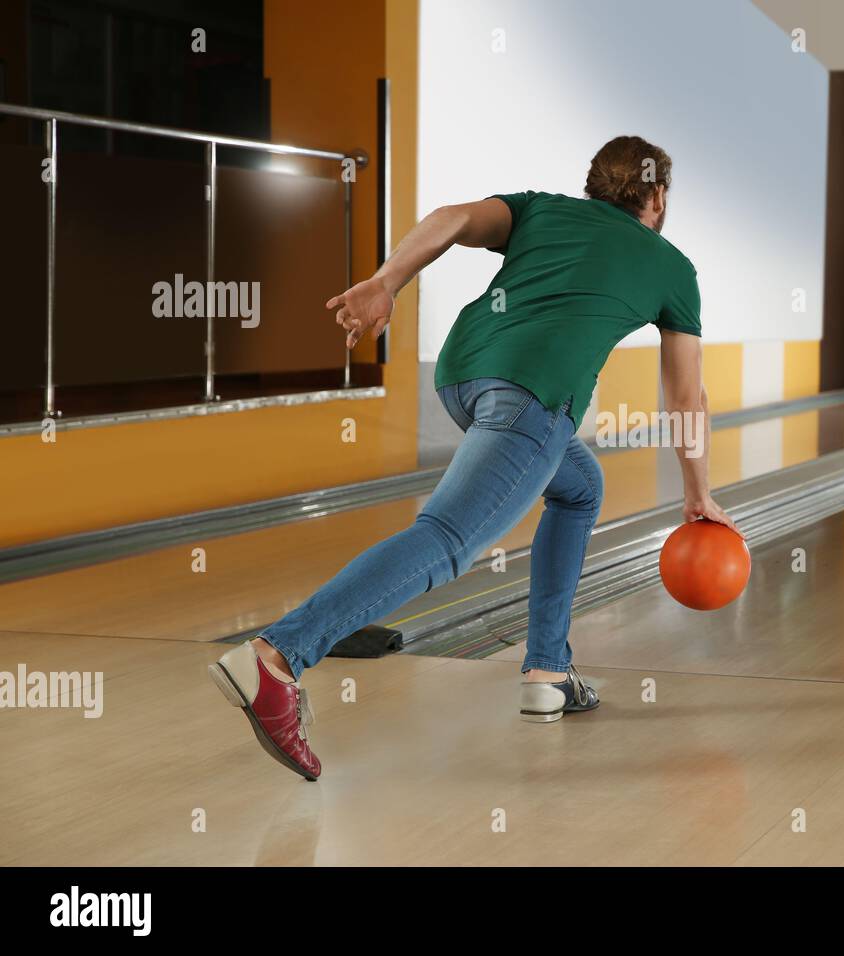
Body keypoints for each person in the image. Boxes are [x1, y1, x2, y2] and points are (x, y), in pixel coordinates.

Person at [208, 135, 741, 780]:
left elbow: (453, 219)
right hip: (532, 399)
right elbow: (685, 395)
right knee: (448, 539)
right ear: (657, 197)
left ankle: (549, 670)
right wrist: (697, 493)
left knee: (579, 487)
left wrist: (385, 282)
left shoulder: (541, 209)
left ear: (594, 187)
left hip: (463, 379)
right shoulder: (671, 266)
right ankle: (277, 656)